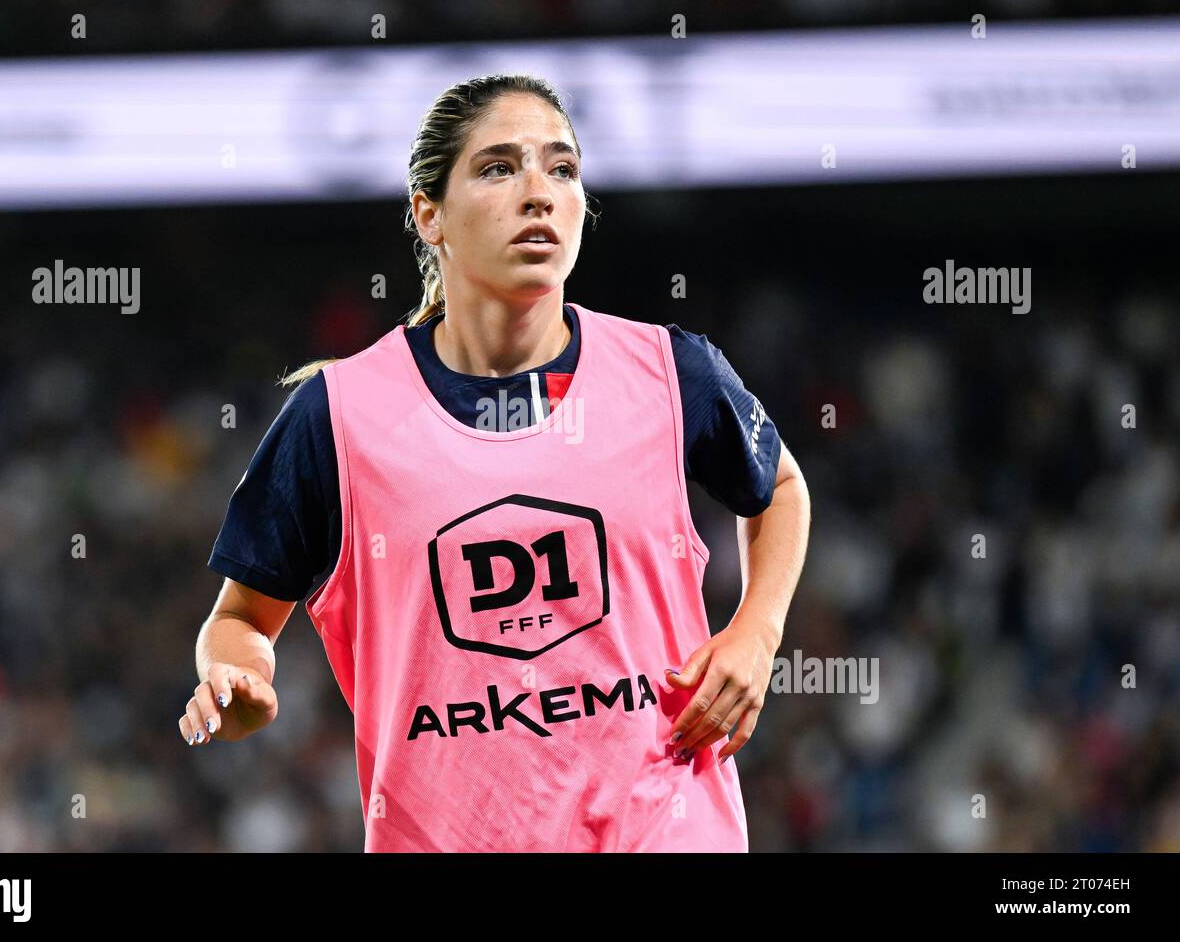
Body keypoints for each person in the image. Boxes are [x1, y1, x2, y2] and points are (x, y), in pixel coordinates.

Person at [179, 74, 811, 852]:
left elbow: (779, 486)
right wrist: (240, 676)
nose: (539, 192)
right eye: (499, 167)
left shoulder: (668, 371)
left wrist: (756, 632)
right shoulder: (339, 416)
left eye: (563, 168)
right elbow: (241, 616)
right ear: (428, 213)